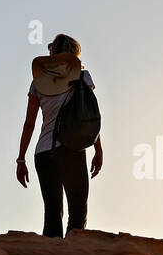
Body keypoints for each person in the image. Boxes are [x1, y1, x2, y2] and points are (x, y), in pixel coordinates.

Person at [17, 34, 103, 237]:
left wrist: (21, 159)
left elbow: (29, 124)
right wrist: (98, 150)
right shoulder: (83, 77)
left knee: (52, 215)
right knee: (77, 213)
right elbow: (89, 117)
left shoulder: (37, 82)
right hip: (71, 148)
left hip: (43, 153)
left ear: (52, 53)